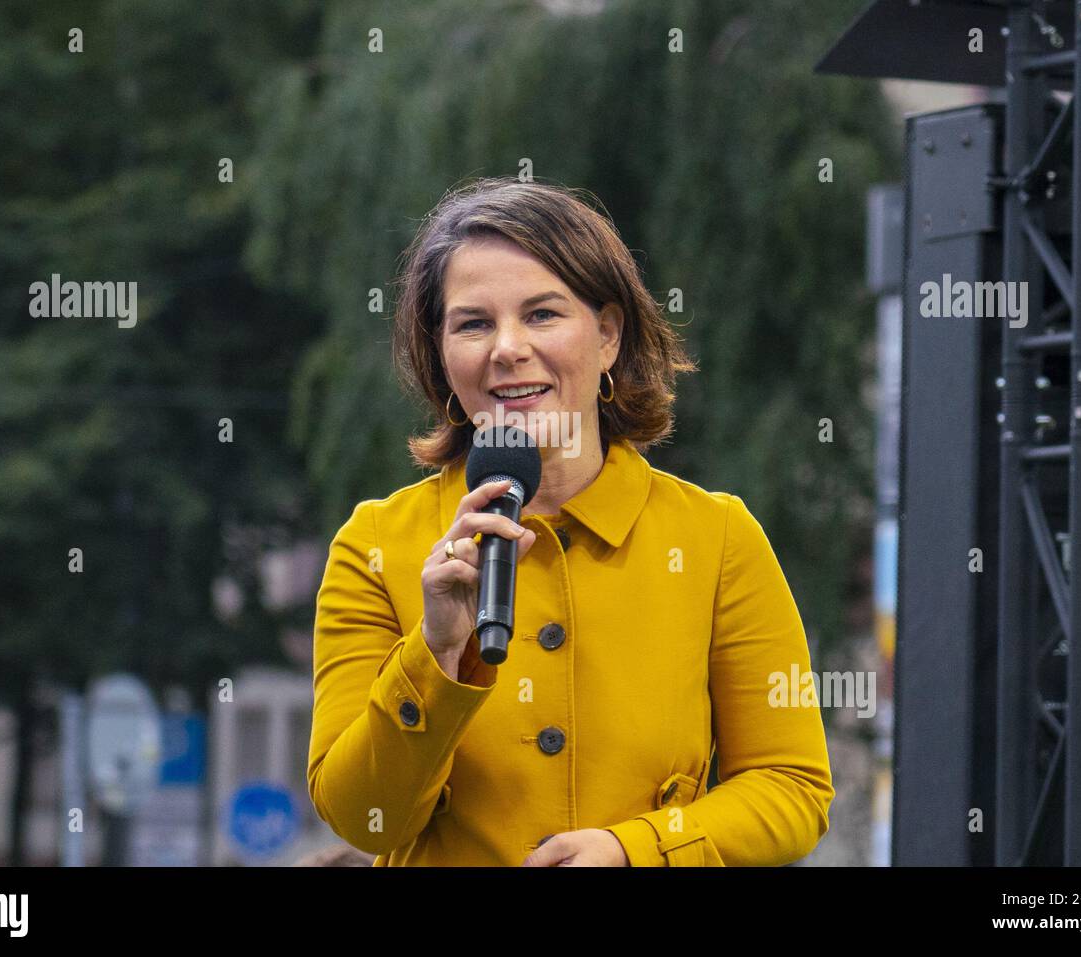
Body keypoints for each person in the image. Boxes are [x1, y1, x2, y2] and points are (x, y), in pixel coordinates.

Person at [306, 176, 835, 866]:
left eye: (543, 314)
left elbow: (793, 789)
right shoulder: (376, 545)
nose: (507, 348)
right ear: (440, 352)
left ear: (608, 334)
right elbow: (363, 819)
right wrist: (435, 650)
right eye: (472, 323)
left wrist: (637, 849)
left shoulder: (716, 538)